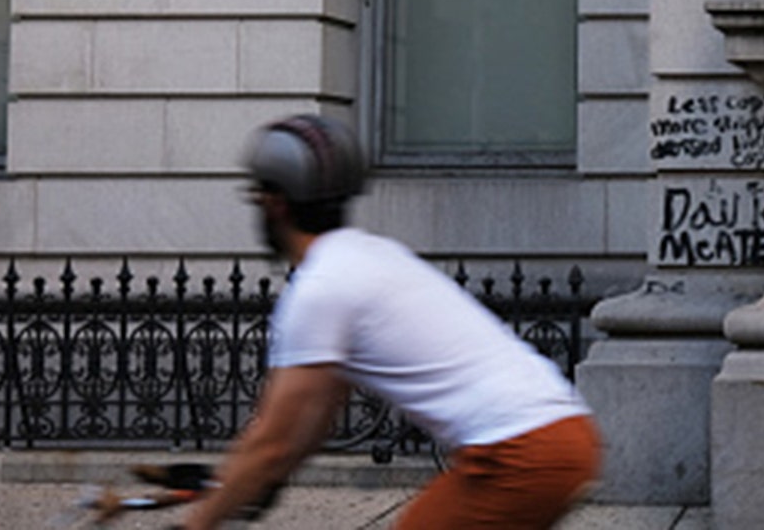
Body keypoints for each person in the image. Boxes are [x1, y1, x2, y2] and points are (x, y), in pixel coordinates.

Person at [178, 114, 601, 530]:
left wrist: (198, 524)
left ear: (276, 204)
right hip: (567, 434)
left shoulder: (320, 288)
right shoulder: (373, 256)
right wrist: (262, 482)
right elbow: (315, 417)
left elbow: (271, 441)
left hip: (518, 453)